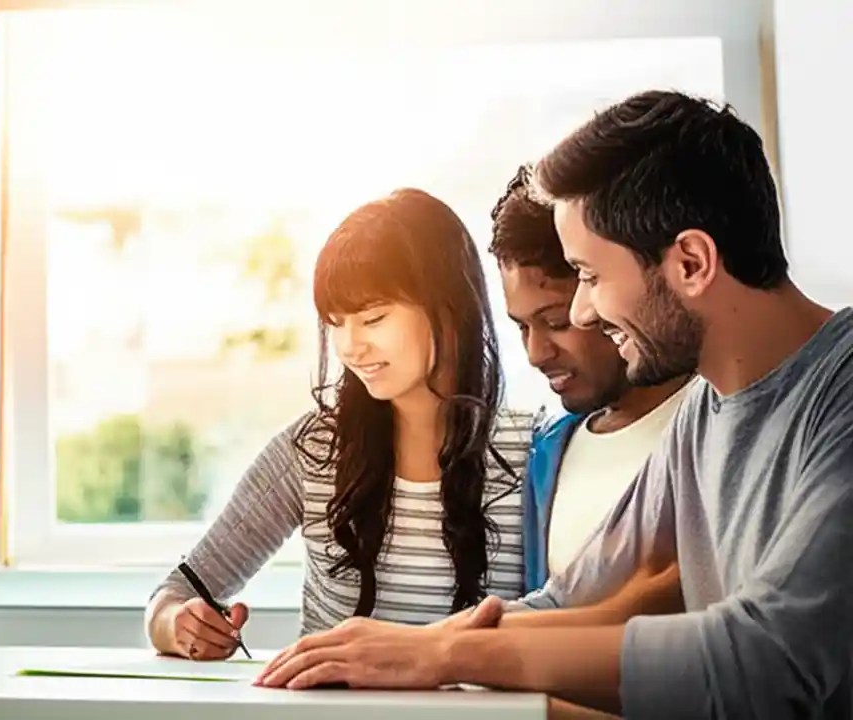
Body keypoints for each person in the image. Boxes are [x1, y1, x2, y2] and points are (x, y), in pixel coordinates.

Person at [254, 89, 853, 720]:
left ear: (692, 262)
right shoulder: (704, 413)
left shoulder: (838, 395)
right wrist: (413, 645)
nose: (581, 311)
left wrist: (449, 658)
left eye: (590, 277)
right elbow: (569, 598)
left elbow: (769, 659)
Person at [145, 188, 534, 661]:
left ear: (451, 309)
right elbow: (175, 595)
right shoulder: (312, 449)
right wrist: (179, 625)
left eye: (373, 318)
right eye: (335, 322)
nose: (351, 347)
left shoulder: (533, 453)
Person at [488, 165, 692, 593]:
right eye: (522, 327)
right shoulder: (547, 454)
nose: (535, 353)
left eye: (556, 321)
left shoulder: (711, 424)